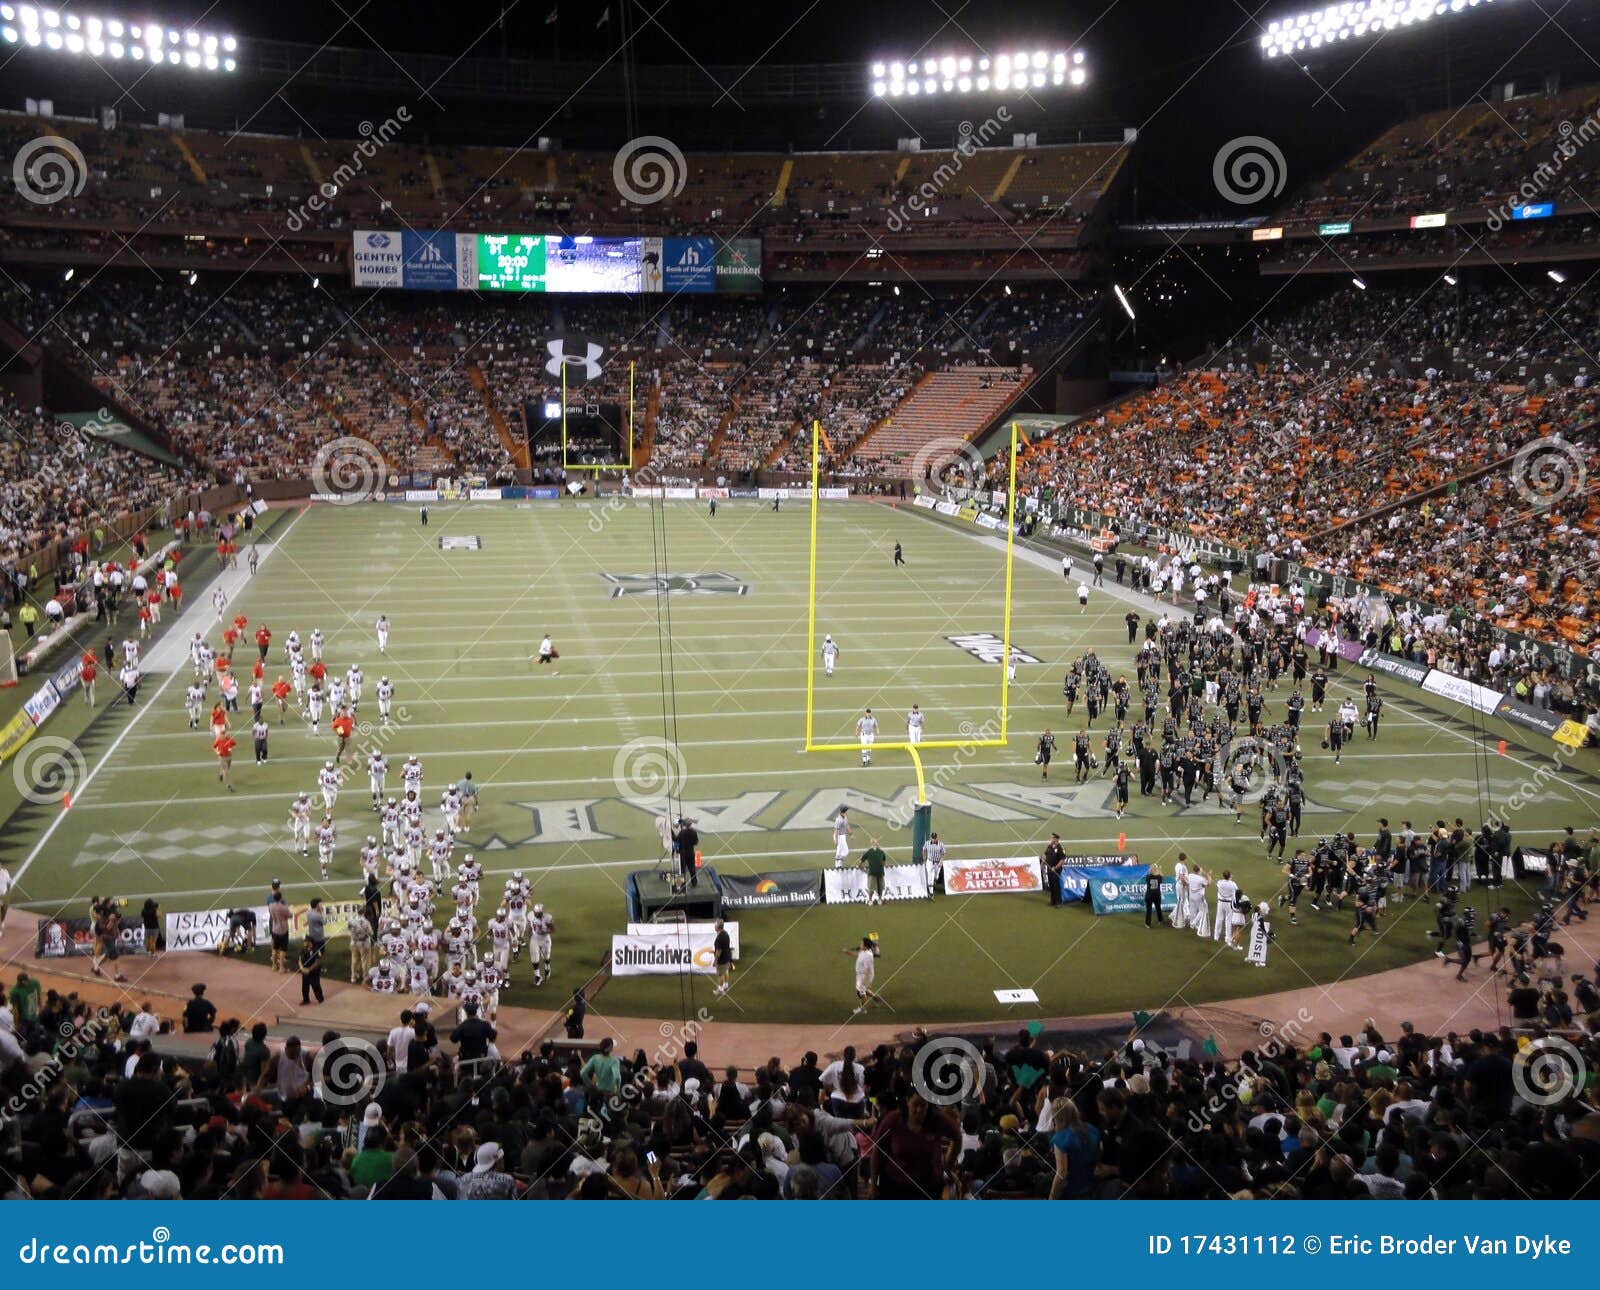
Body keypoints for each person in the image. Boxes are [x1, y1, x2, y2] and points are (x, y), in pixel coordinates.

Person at [861, 837, 888, 906]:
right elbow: (884, 862)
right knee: (879, 887)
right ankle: (878, 899)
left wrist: (859, 866)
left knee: (872, 888)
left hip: (873, 872)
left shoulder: (869, 852)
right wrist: (886, 865)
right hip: (879, 872)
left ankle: (871, 900)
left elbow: (862, 861)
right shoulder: (881, 852)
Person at [298, 937, 324, 1005]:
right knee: (305, 986)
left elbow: (317, 962)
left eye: (305, 941)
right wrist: (302, 968)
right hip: (305, 971)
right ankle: (306, 999)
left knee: (315, 985)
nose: (303, 942)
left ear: (309, 942)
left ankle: (320, 1000)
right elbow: (300, 960)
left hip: (314, 971)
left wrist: (309, 970)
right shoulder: (303, 949)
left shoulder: (316, 950)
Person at [1043, 832, 1066, 906]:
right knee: (1051, 885)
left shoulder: (1060, 848)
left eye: (1052, 838)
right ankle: (1053, 901)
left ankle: (1059, 902)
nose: (1051, 839)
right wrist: (1042, 863)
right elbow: (1045, 855)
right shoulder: (1049, 846)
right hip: (1049, 869)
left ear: (1056, 839)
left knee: (1056, 886)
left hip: (1056, 870)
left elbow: (1062, 860)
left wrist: (1055, 867)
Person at [712, 919, 734, 996]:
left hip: (721, 959)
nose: (714, 926)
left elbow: (719, 951)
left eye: (715, 925)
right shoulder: (725, 933)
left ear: (718, 927)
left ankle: (720, 990)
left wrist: (715, 961)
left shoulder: (719, 937)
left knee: (720, 974)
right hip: (727, 957)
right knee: (726, 971)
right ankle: (726, 985)